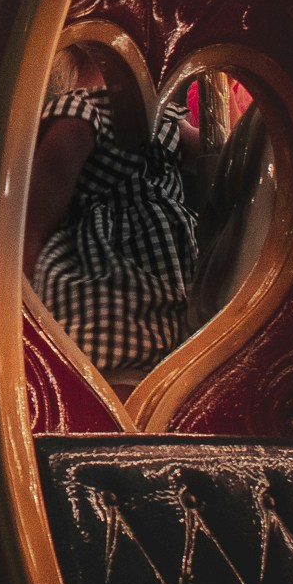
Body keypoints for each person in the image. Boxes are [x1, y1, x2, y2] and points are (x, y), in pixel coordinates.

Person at [27, 54, 203, 386]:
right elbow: (35, 221)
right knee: (112, 347)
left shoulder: (164, 118)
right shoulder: (80, 114)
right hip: (105, 283)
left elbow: (220, 160)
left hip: (166, 281)